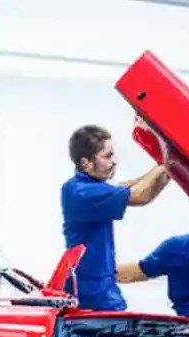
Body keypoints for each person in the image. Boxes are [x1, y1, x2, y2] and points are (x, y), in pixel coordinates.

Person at [60, 124, 171, 310]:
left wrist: (168, 171)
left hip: (100, 285)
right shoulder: (81, 192)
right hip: (93, 293)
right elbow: (141, 195)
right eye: (107, 156)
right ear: (86, 163)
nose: (114, 161)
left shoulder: (90, 185)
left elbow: (135, 187)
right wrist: (168, 162)